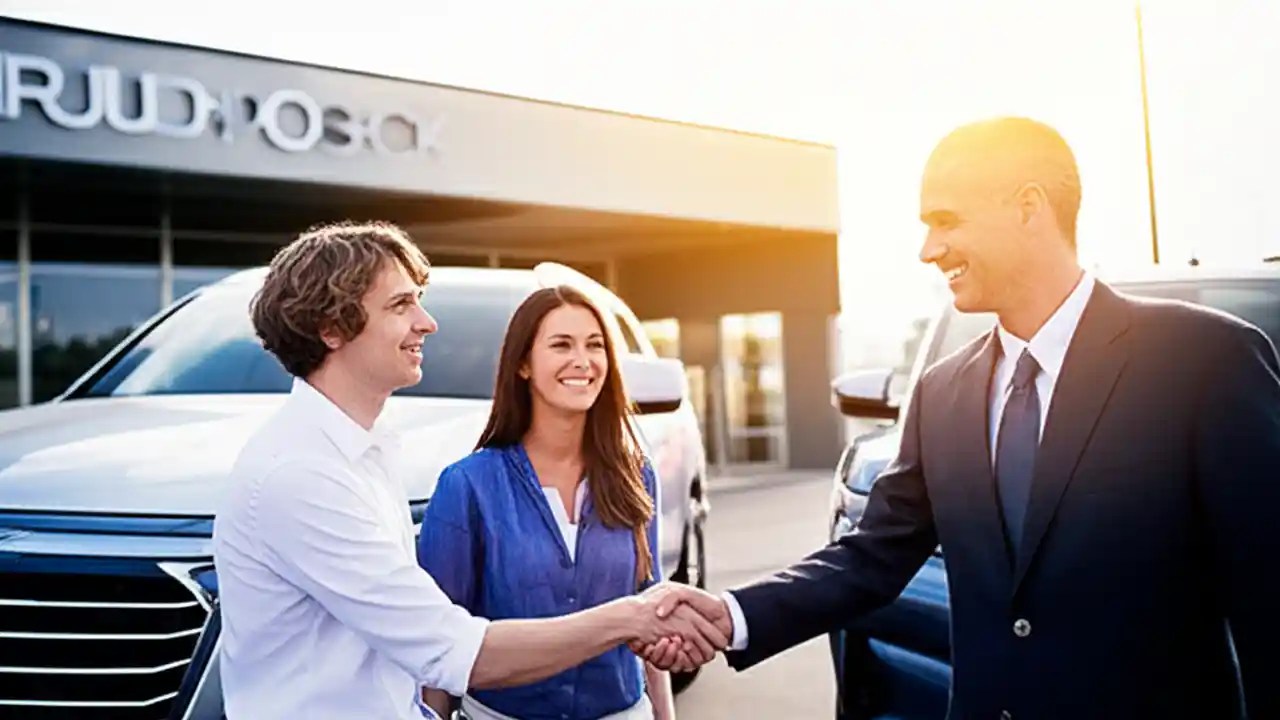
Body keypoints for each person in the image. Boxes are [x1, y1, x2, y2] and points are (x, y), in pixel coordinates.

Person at [643, 117, 1280, 719]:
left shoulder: (1206, 361)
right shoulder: (943, 392)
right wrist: (729, 614)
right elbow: (872, 557)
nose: (928, 249)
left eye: (946, 221)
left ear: (1028, 208)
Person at [211, 221, 724, 720]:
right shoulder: (300, 475)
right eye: (400, 305)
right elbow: (454, 651)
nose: (427, 323)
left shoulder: (365, 453)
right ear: (331, 329)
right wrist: (630, 617)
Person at [418, 285, 675, 720]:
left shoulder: (636, 474)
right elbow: (438, 643)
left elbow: (651, 606)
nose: (582, 361)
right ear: (522, 364)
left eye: (595, 345)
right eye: (561, 345)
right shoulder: (467, 486)